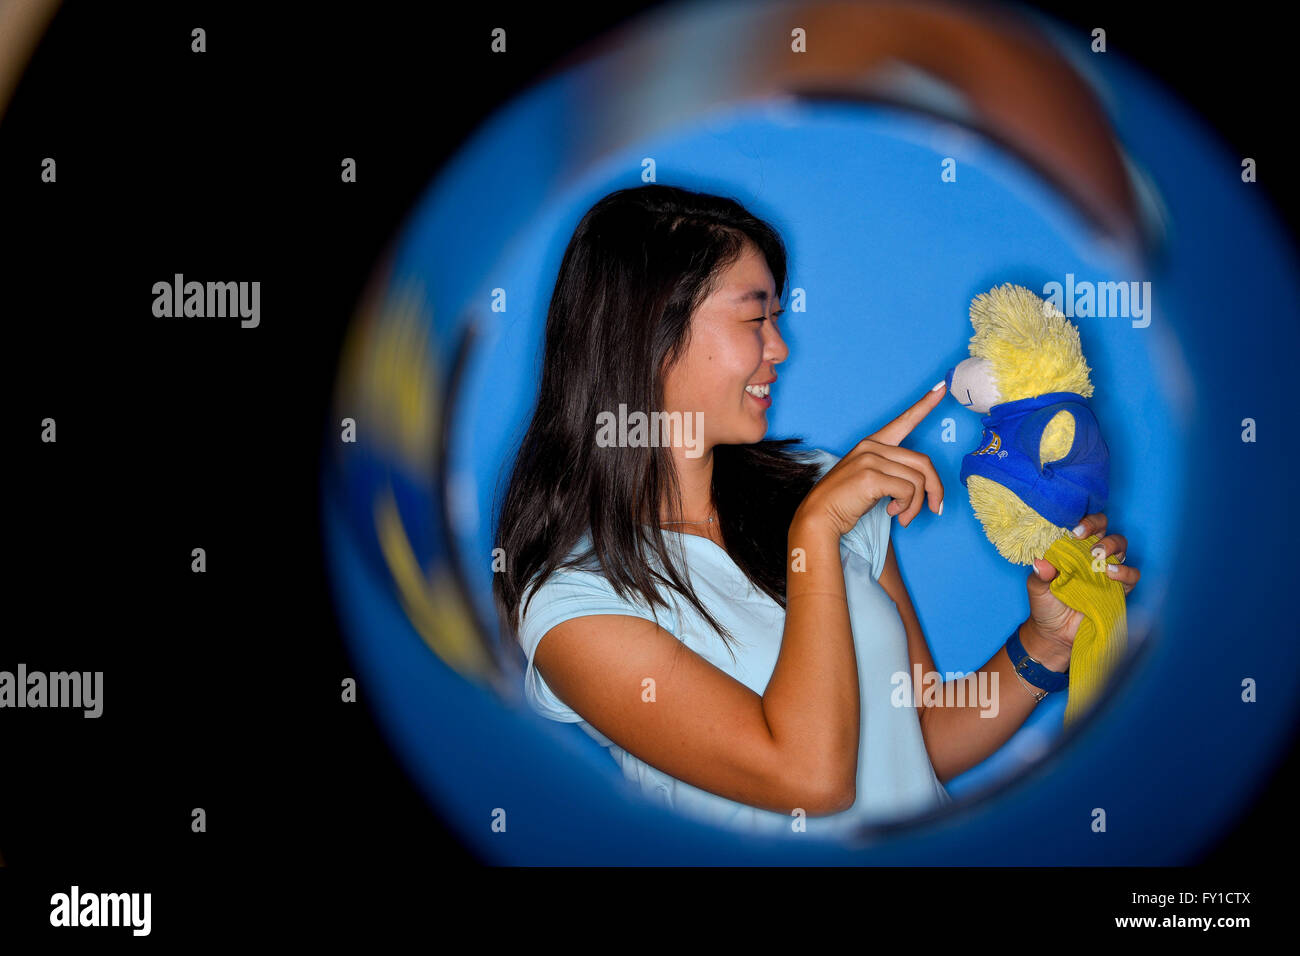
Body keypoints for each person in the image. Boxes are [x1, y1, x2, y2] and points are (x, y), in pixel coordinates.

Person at [491, 184, 1140, 839]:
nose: (780, 348)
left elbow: (916, 736)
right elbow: (810, 780)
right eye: (754, 320)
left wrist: (1045, 643)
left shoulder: (820, 484)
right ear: (649, 334)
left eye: (777, 317)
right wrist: (815, 534)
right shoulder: (572, 606)